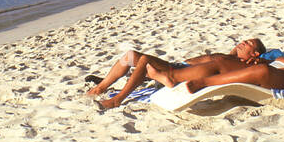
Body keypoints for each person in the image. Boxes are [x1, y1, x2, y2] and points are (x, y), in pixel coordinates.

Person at [85, 37, 268, 109]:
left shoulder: (243, 64)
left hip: (181, 73)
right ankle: (101, 87)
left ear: (255, 54)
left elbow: (265, 65)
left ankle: (118, 99)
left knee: (144, 60)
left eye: (248, 44)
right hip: (177, 66)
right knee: (130, 56)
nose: (243, 42)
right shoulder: (230, 57)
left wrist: (260, 59)